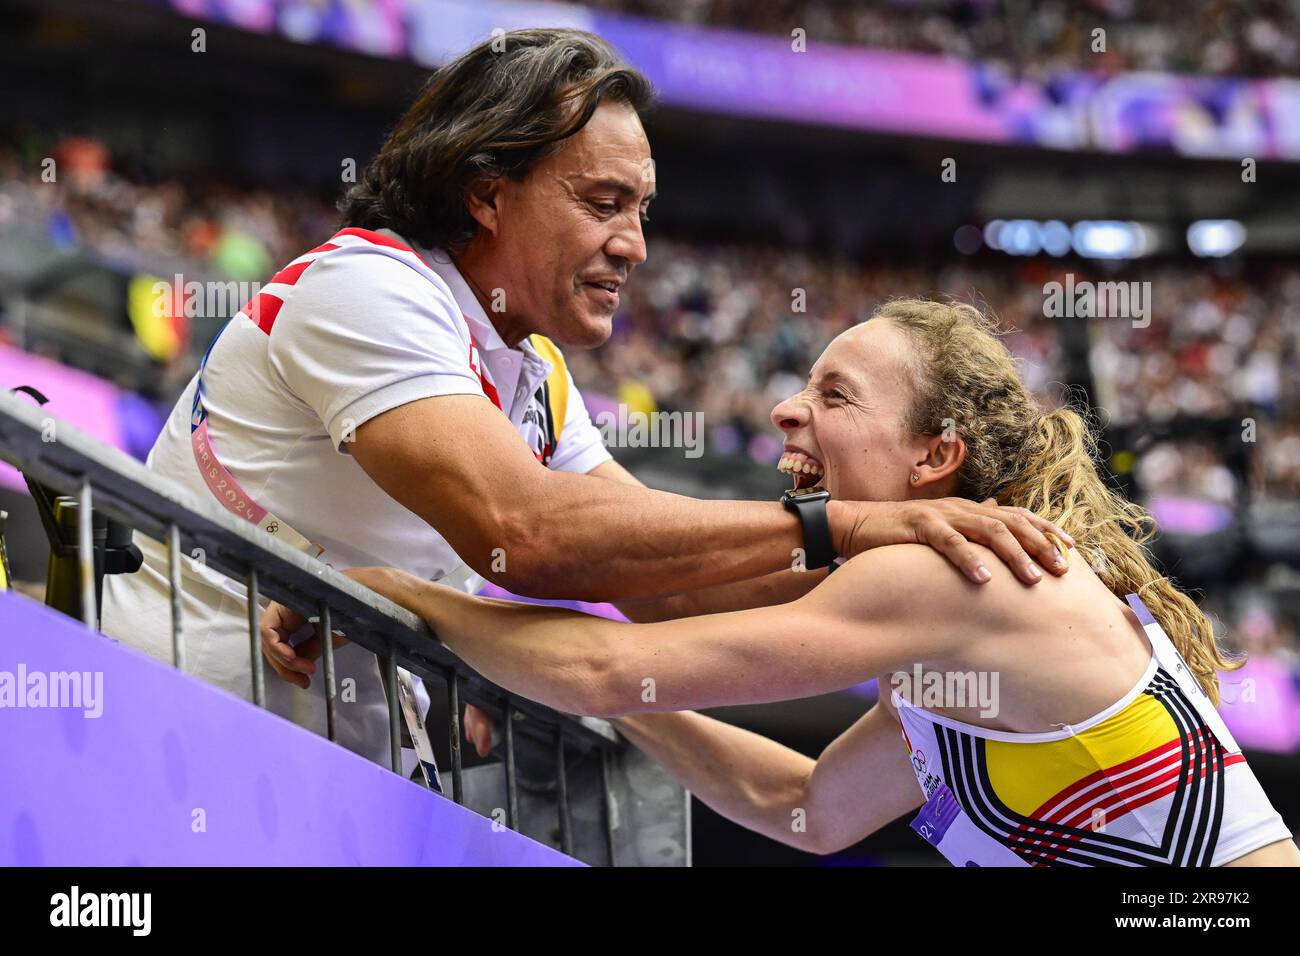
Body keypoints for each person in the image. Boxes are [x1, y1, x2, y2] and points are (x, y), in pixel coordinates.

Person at [100, 29, 1070, 766]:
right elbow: (522, 535)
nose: (635, 246)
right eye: (603, 203)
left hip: (310, 758)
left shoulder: (536, 375)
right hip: (168, 726)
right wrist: (844, 525)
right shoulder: (366, 287)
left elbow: (669, 582)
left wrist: (932, 538)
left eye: (641, 211)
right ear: (486, 191)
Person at [265, 299, 1299, 866]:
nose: (785, 413)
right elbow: (800, 803)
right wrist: (613, 692)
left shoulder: (957, 578)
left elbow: (599, 664)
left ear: (933, 456)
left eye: (833, 394)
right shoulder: (944, 657)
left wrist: (392, 587)